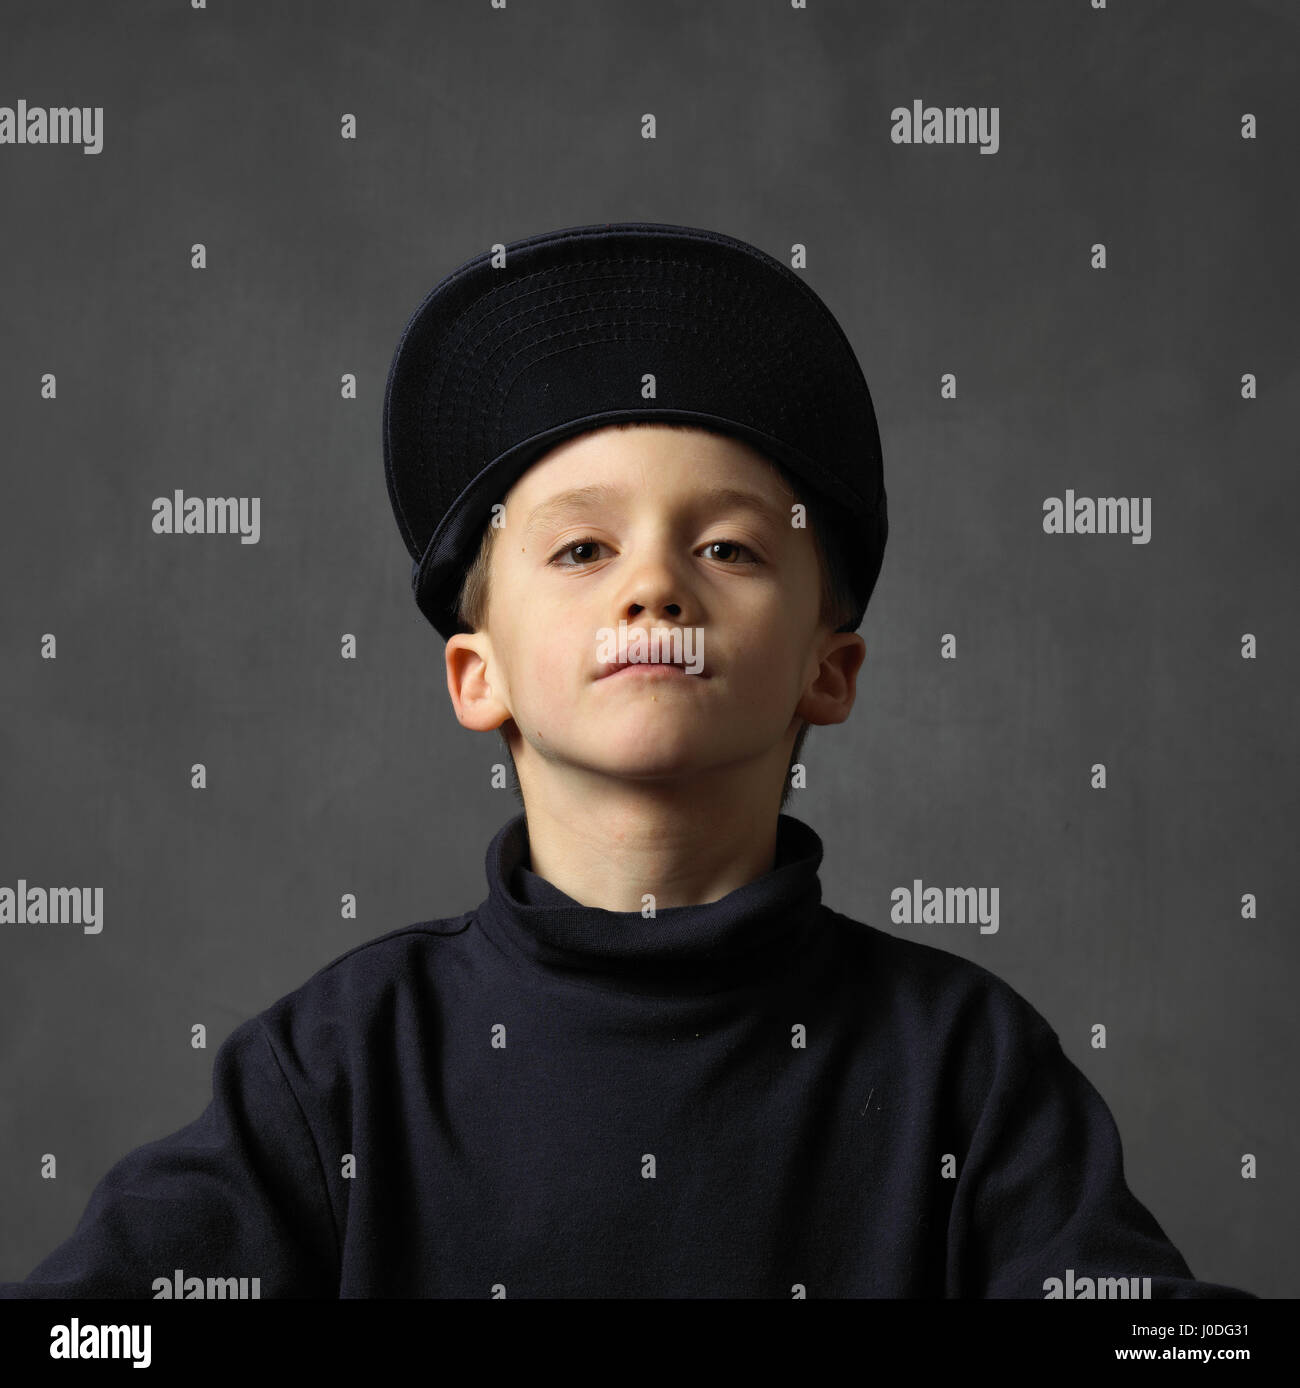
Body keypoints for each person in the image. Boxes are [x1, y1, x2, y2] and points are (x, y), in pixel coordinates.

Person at [0, 223, 1254, 1298]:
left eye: (729, 548)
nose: (655, 580)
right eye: (582, 550)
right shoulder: (334, 1072)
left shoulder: (968, 1071)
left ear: (830, 669)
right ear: (474, 673)